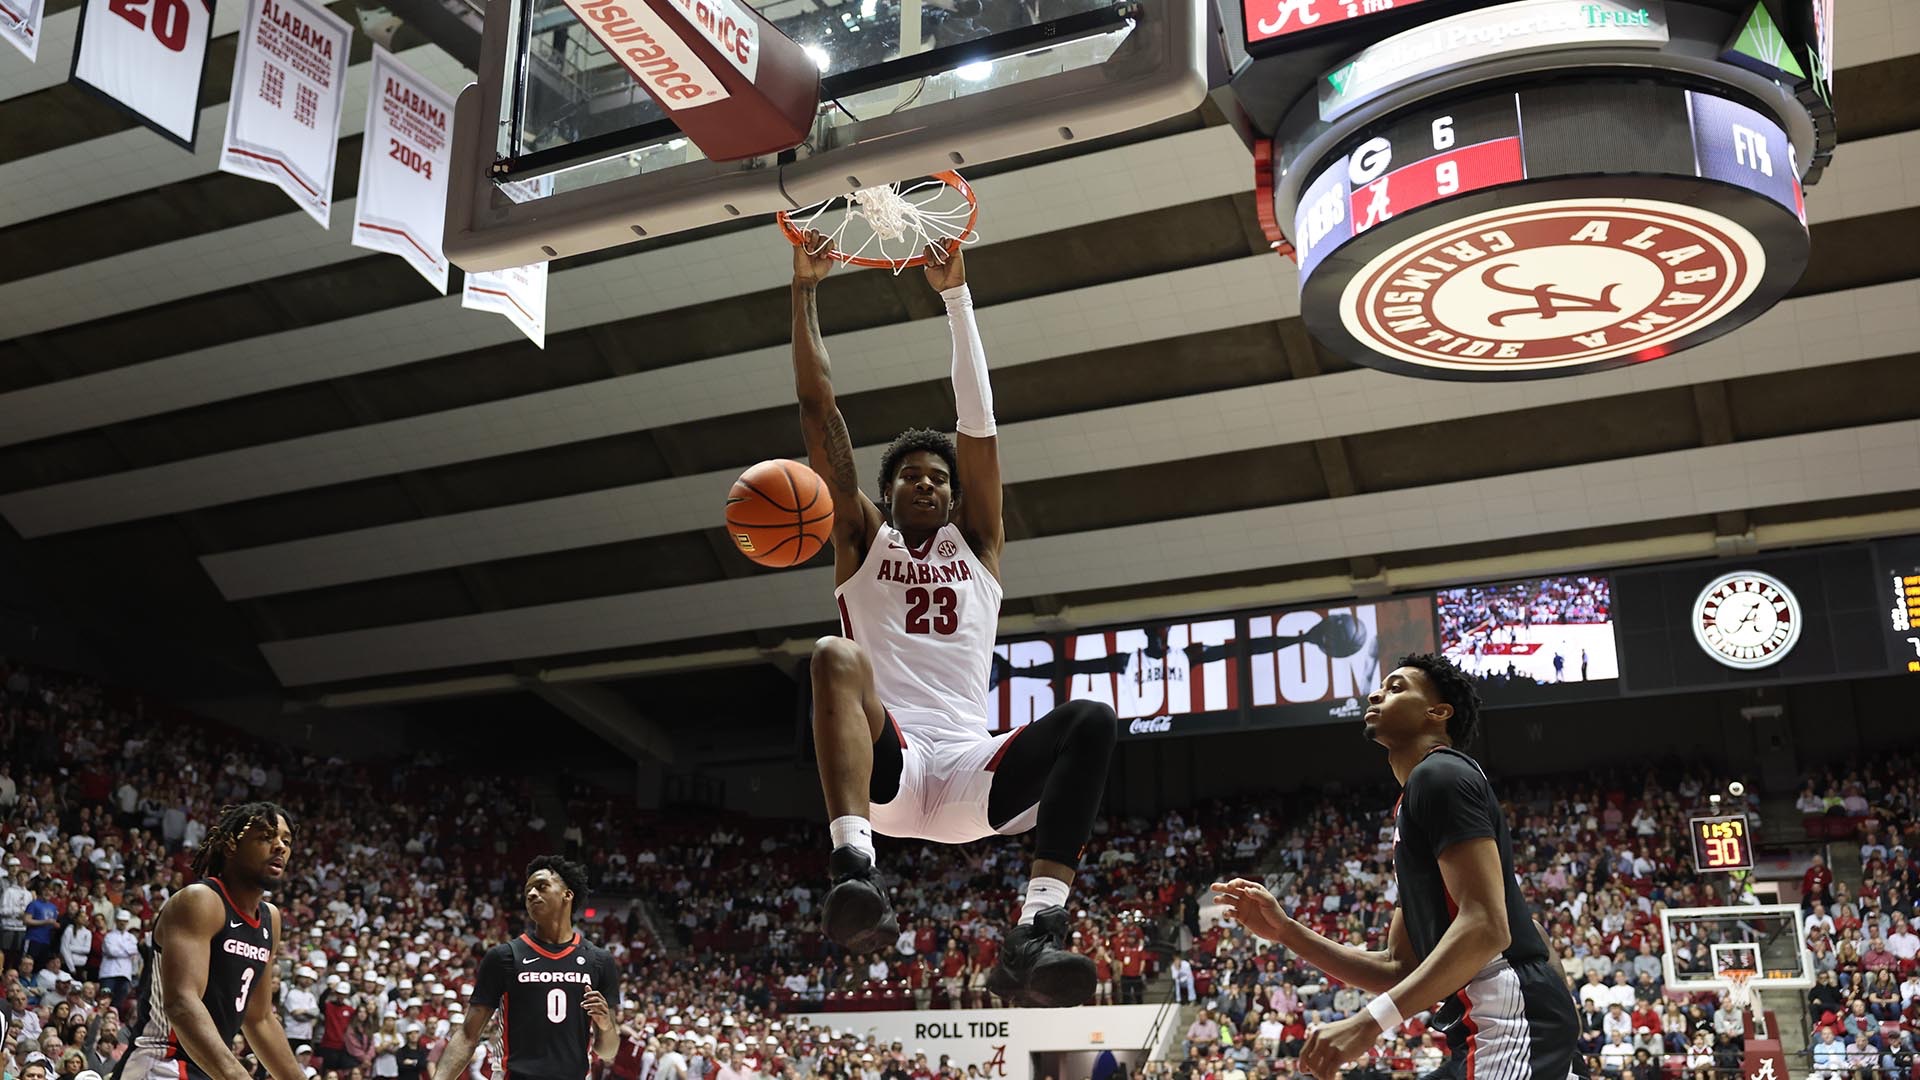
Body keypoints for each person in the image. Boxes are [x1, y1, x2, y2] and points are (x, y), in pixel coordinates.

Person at [787, 233, 1118, 1008]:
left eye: (940, 476)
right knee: (834, 654)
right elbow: (816, 410)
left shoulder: (981, 543)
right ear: (890, 491)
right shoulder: (862, 540)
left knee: (1092, 720)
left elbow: (981, 424)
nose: (930, 483)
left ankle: (1036, 930)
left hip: (973, 774)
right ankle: (854, 868)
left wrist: (956, 296)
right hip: (888, 768)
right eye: (912, 476)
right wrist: (805, 291)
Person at [1213, 654, 1584, 1080]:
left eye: (1396, 688)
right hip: (1493, 1021)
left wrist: (1368, 1023)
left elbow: (1488, 927)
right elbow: (1398, 967)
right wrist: (1286, 932)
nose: (1375, 693)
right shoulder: (1414, 802)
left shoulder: (1441, 775)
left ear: (1438, 712)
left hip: (1510, 1013)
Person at [110, 802, 309, 1080]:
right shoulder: (200, 900)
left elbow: (259, 1019)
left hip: (210, 1068)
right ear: (230, 847)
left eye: (285, 841)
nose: (280, 847)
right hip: (162, 1062)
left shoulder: (270, 919)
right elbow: (182, 1003)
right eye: (266, 837)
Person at [432, 857, 619, 1080]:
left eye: (541, 887)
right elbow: (467, 1035)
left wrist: (606, 1026)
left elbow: (608, 1051)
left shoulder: (599, 961)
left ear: (567, 895)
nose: (531, 894)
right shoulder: (504, 956)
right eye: (528, 890)